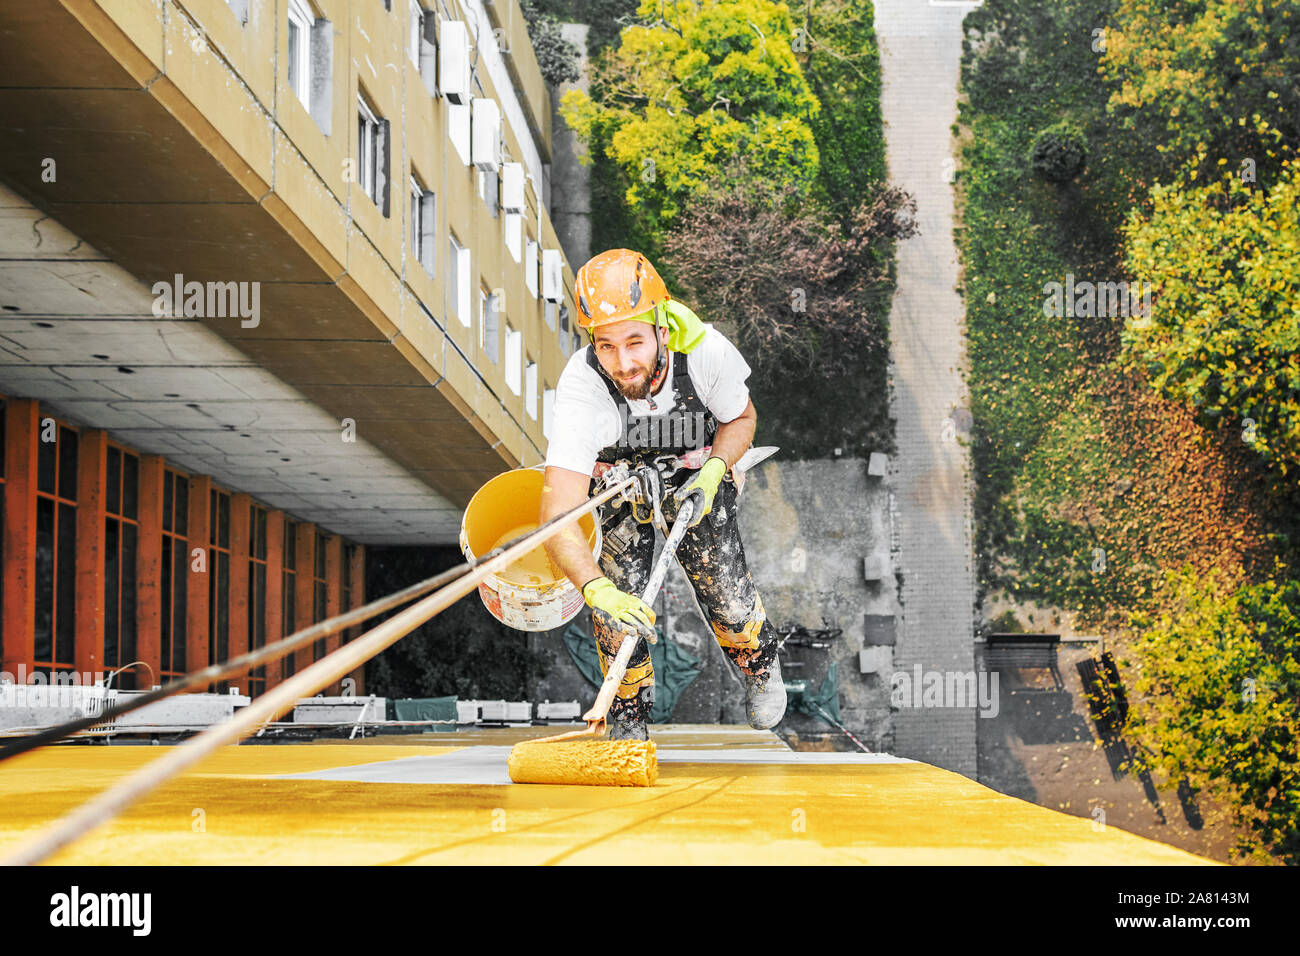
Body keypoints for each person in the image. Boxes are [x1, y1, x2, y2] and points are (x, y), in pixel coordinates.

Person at [539, 248, 786, 741]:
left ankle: (759, 666)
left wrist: (717, 469)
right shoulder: (582, 388)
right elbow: (558, 511)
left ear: (661, 329)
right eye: (606, 345)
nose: (623, 362)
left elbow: (741, 419)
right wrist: (595, 588)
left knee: (727, 595)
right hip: (616, 483)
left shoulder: (706, 354)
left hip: (697, 472)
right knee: (616, 611)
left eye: (634, 341)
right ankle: (627, 713)